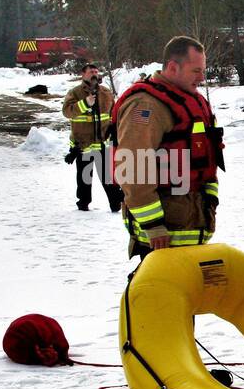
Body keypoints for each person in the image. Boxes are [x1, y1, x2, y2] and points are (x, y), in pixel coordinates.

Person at [111, 36, 223, 258]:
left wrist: (211, 200)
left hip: (191, 225)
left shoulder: (193, 101)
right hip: (161, 237)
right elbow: (133, 167)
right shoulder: (145, 106)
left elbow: (207, 158)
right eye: (196, 71)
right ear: (173, 67)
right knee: (156, 291)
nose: (202, 77)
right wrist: (152, 225)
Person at [62, 63, 122, 212]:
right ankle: (83, 205)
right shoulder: (75, 93)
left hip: (103, 143)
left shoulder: (106, 92)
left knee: (109, 177)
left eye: (96, 71)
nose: (94, 73)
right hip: (83, 144)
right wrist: (84, 104)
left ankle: (116, 204)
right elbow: (67, 112)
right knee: (84, 178)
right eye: (91, 71)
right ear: (83, 74)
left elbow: (114, 114)